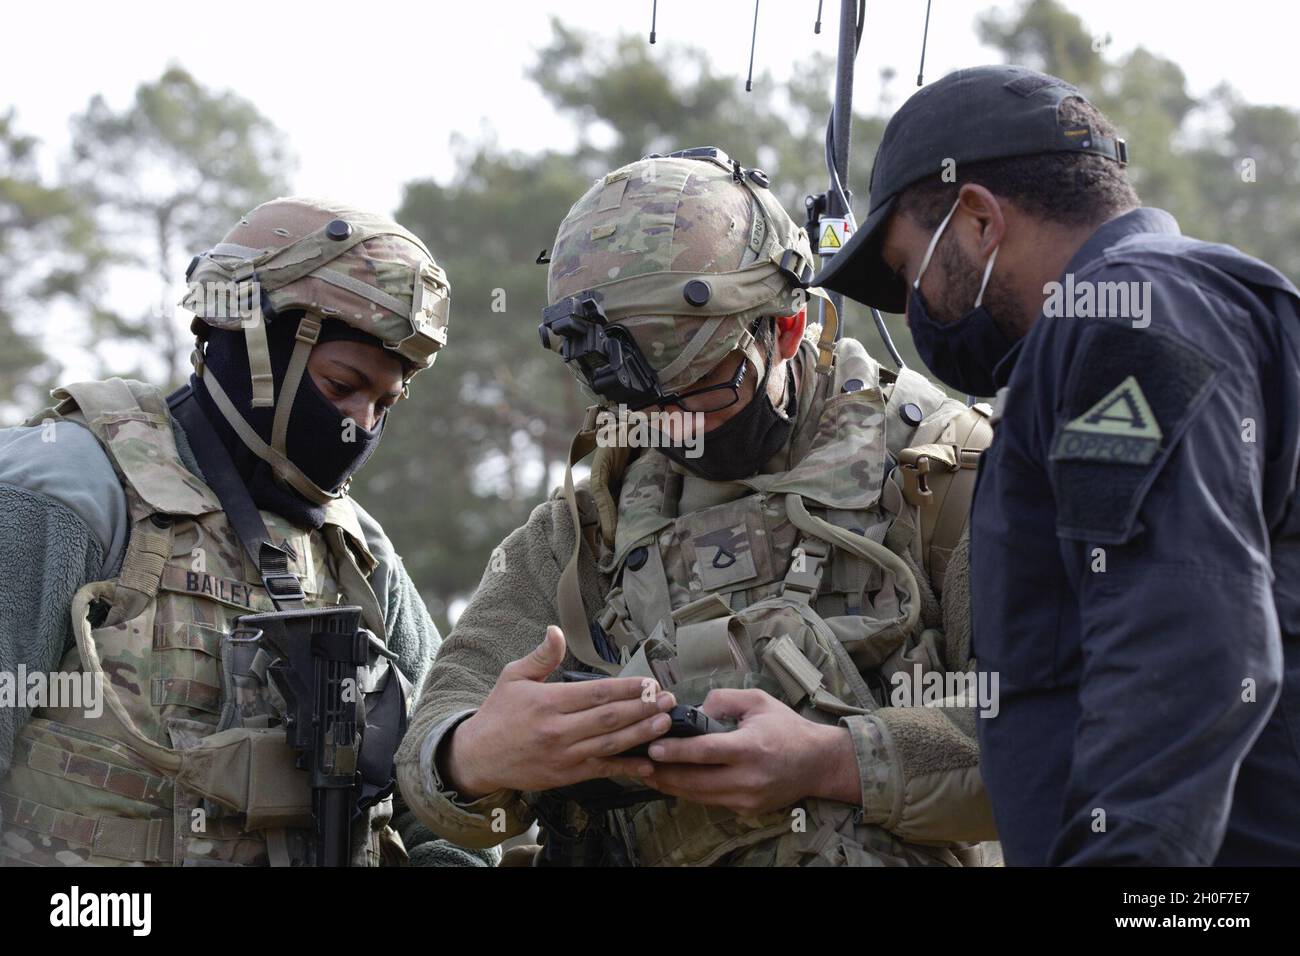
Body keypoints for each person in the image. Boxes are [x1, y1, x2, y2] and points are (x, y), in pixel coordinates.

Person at [396, 147, 1000, 866]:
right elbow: (434, 742)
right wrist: (478, 754)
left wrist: (834, 760)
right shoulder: (586, 533)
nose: (670, 431)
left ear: (784, 327)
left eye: (700, 394)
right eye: (640, 409)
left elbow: (1063, 739)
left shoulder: (946, 474)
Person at [814, 65, 1300, 865]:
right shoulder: (1158, 310)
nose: (919, 307)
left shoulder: (1125, 322)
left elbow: (1183, 641)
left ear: (976, 221)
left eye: (910, 272)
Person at [0, 196, 494, 866]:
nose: (361, 426)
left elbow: (441, 801)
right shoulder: (66, 489)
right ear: (249, 345)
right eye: (341, 385)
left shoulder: (359, 555)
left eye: (384, 403)